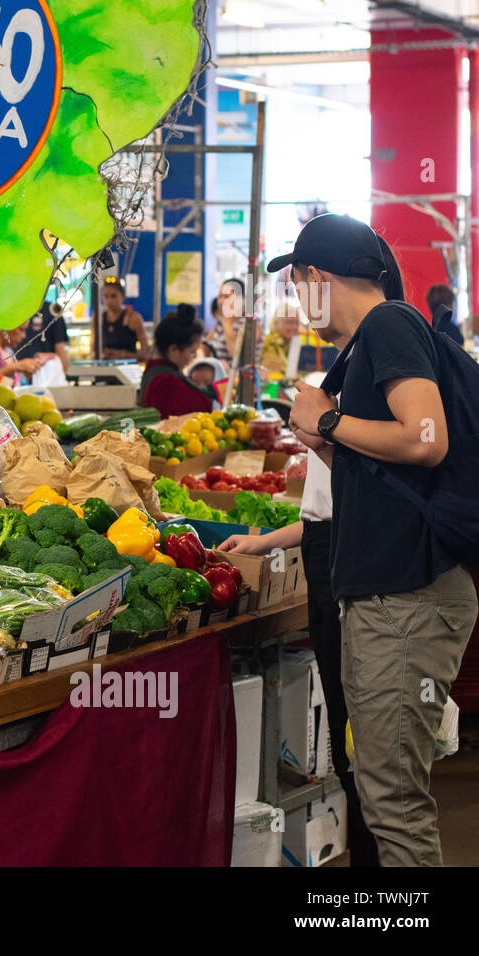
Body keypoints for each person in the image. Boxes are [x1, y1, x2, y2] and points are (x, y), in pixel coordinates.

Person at [279, 212, 477, 866]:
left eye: (297, 283)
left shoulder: (387, 325)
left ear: (316, 277)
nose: (298, 300)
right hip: (394, 595)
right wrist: (328, 440)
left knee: (392, 799)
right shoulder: (367, 346)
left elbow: (427, 439)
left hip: (406, 601)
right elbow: (387, 481)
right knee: (383, 789)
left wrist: (330, 417)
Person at [219, 376, 380, 867]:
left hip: (349, 552)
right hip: (324, 544)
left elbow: (363, 498)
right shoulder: (342, 383)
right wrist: (266, 541)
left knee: (362, 740)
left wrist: (323, 429)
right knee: (347, 731)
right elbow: (324, 509)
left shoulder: (365, 394)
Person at [139, 305, 215, 417]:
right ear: (173, 349)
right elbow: (202, 407)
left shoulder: (157, 370)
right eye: (192, 352)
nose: (193, 357)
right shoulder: (164, 382)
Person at [96, 277, 148, 360]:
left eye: (113, 296)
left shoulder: (133, 318)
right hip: (104, 370)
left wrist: (122, 354)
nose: (109, 301)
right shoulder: (99, 319)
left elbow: (146, 353)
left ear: (123, 296)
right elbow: (92, 351)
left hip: (127, 370)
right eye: (106, 296)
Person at [20, 302, 71, 375]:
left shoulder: (52, 310)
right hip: (21, 374)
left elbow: (60, 348)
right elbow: (60, 348)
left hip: (44, 373)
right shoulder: (53, 309)